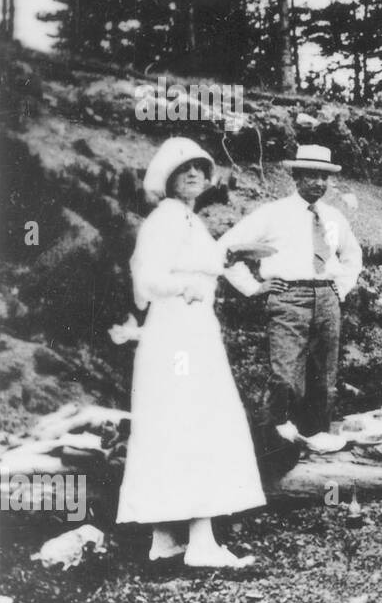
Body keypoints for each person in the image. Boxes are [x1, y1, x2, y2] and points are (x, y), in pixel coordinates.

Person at [117, 137, 265, 569]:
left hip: (187, 331)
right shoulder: (165, 219)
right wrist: (184, 287)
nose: (195, 175)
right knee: (196, 416)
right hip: (179, 334)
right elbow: (147, 277)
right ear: (167, 179)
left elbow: (210, 262)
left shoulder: (186, 220)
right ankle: (201, 543)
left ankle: (164, 539)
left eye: (200, 168)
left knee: (175, 421)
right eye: (185, 170)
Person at [221, 144, 363, 475]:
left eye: (324, 176)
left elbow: (351, 257)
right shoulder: (273, 214)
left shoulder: (333, 217)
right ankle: (273, 446)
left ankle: (314, 436)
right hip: (288, 297)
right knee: (285, 375)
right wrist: (254, 287)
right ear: (296, 176)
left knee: (323, 373)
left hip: (326, 297)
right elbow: (227, 251)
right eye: (311, 175)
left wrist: (338, 289)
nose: (318, 182)